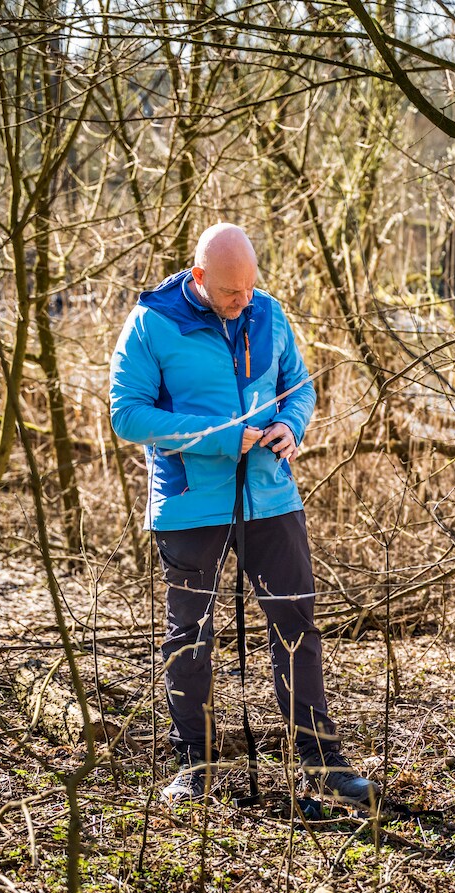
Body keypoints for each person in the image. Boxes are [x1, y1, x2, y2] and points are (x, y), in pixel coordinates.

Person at [109, 223, 378, 809]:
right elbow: (127, 416)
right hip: (188, 505)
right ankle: (194, 765)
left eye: (252, 286)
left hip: (271, 500)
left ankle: (323, 764)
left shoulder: (268, 313)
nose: (245, 300)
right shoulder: (153, 323)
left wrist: (292, 425)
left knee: (296, 627)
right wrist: (224, 438)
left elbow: (299, 387)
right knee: (190, 637)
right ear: (200, 279)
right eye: (233, 291)